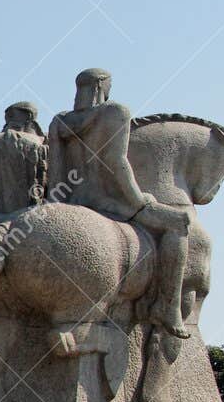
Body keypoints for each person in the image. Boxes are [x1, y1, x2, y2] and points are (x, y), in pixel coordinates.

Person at [46, 68, 191, 337]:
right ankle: (167, 307)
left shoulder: (59, 122)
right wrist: (138, 201)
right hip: (110, 202)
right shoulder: (115, 112)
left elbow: (54, 172)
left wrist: (53, 206)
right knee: (179, 224)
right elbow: (116, 161)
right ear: (102, 85)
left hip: (74, 199)